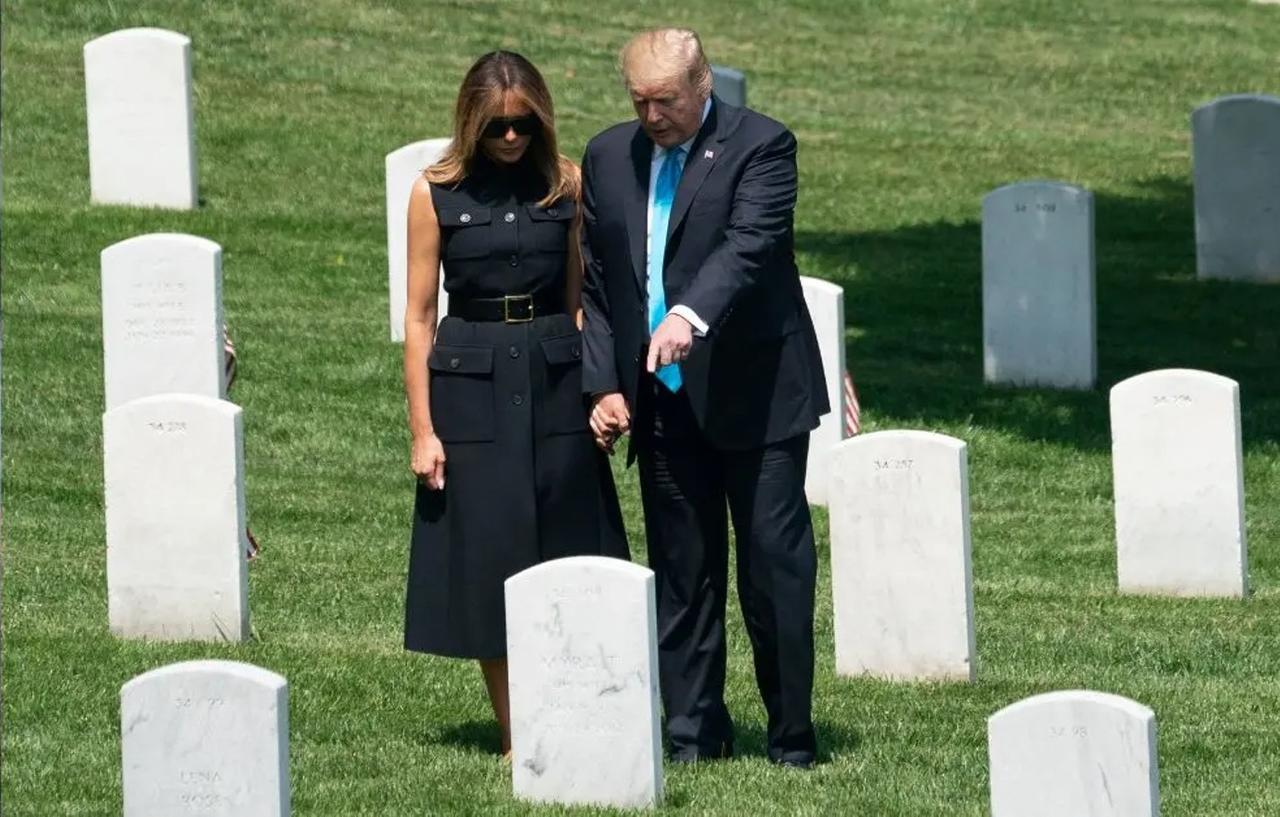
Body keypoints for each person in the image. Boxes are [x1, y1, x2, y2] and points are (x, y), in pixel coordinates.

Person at [580, 29, 829, 768]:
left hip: (756, 397)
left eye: (666, 101)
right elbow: (598, 282)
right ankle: (693, 735)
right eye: (639, 101)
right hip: (663, 401)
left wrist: (688, 316)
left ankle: (791, 736)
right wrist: (602, 383)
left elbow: (749, 246)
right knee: (684, 574)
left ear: (702, 85)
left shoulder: (762, 146)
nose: (652, 115)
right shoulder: (607, 156)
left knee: (771, 571)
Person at [402, 50, 629, 758]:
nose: (510, 138)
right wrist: (423, 428)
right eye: (498, 126)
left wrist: (600, 389)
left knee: (569, 543)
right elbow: (417, 316)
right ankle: (517, 732)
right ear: (473, 123)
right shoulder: (434, 191)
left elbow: (581, 301)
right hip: (471, 387)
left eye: (523, 125)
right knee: (491, 553)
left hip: (555, 373)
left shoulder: (565, 185)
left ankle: (586, 708)